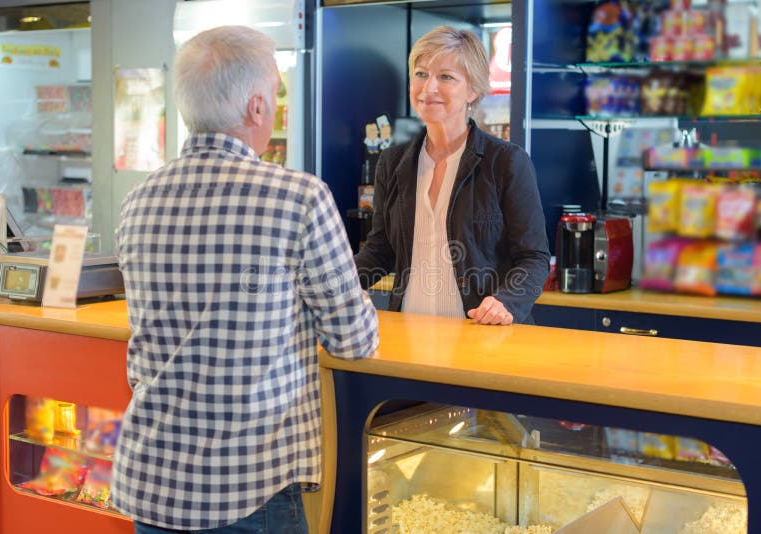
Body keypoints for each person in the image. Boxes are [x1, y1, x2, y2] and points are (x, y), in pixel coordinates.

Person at [112, 25, 378, 533]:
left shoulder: (137, 202)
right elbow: (354, 339)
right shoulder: (298, 198)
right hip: (249, 486)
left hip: (150, 481)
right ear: (257, 108)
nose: (276, 106)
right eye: (276, 93)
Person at [354, 26, 550, 325]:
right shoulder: (392, 162)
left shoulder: (507, 162)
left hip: (483, 336)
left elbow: (534, 258)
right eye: (421, 74)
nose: (428, 87)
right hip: (408, 334)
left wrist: (505, 301)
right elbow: (380, 251)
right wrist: (330, 284)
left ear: (472, 90)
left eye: (445, 77)